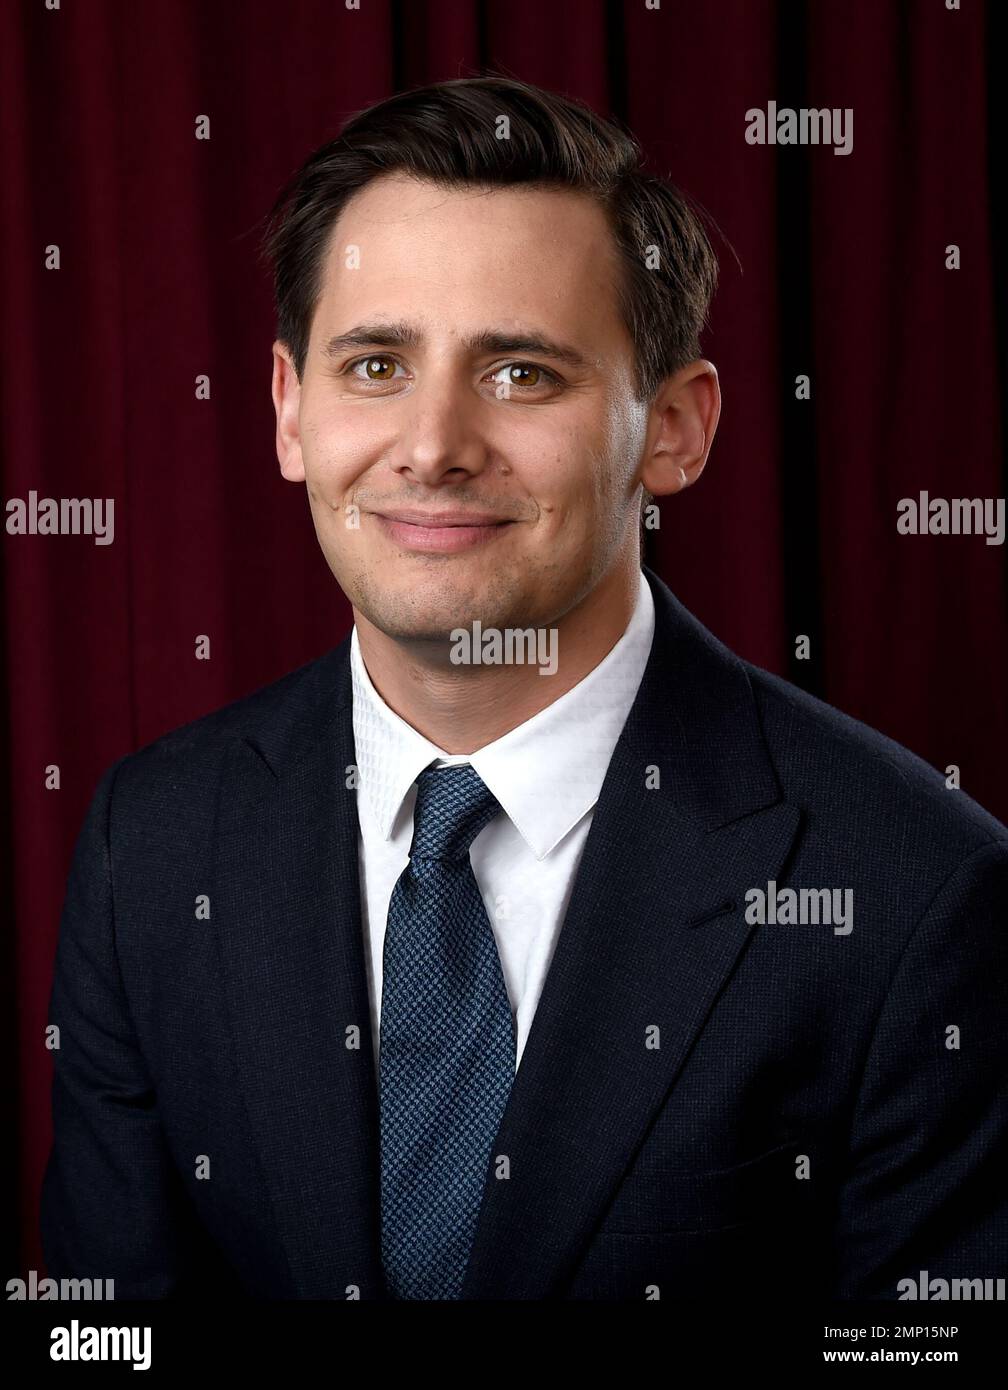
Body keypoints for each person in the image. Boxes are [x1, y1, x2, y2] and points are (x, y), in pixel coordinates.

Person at [41, 76, 1007, 1301]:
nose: (435, 442)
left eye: (522, 374)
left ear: (675, 430)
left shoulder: (917, 892)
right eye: (377, 362)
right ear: (291, 412)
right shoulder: (154, 843)